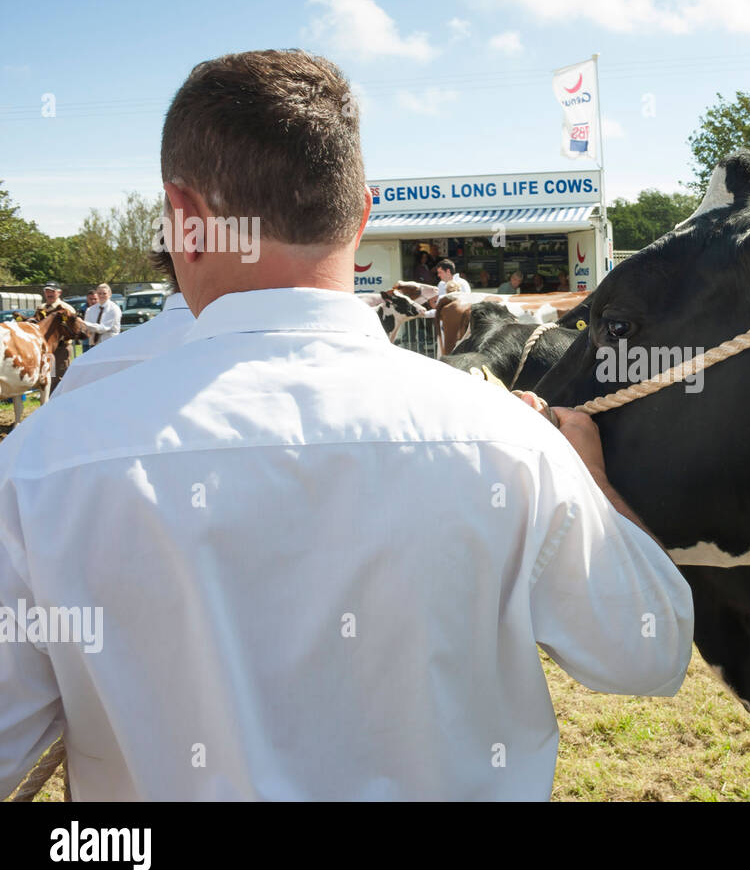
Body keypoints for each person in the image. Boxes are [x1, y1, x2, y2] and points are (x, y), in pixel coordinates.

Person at [0, 49, 691, 801]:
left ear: (184, 223)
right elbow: (647, 651)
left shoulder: (46, 463)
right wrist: (590, 478)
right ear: (361, 215)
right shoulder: (509, 442)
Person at [53, 254, 195, 397]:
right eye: (99, 293)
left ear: (109, 294)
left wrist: (84, 324)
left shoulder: (113, 309)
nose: (101, 295)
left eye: (104, 293)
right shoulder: (91, 314)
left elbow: (105, 328)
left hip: (107, 341)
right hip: (94, 345)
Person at [31, 282, 79, 391]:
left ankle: (61, 398)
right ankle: (48, 398)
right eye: (47, 291)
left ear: (59, 292)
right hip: (44, 349)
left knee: (60, 375)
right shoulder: (41, 308)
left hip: (60, 348)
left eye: (52, 291)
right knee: (46, 375)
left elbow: (73, 329)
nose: (49, 294)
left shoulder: (66, 309)